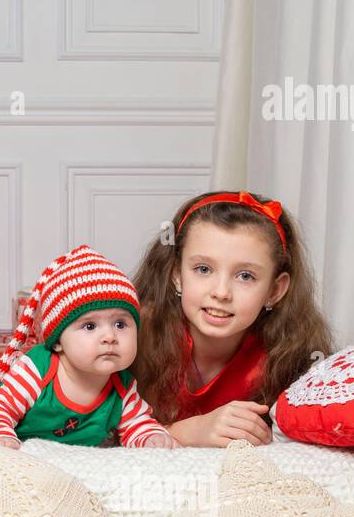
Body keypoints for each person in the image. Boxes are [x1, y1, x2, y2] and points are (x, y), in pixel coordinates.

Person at [0, 244, 176, 449]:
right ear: (58, 342)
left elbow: (136, 424)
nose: (110, 337)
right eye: (90, 327)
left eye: (120, 324)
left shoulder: (123, 385)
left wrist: (152, 437)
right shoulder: (38, 368)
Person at [131, 190, 335, 448]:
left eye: (245, 276)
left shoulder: (290, 353)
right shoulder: (133, 335)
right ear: (177, 275)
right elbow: (91, 431)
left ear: (274, 290)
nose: (221, 292)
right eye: (203, 269)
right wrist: (183, 431)